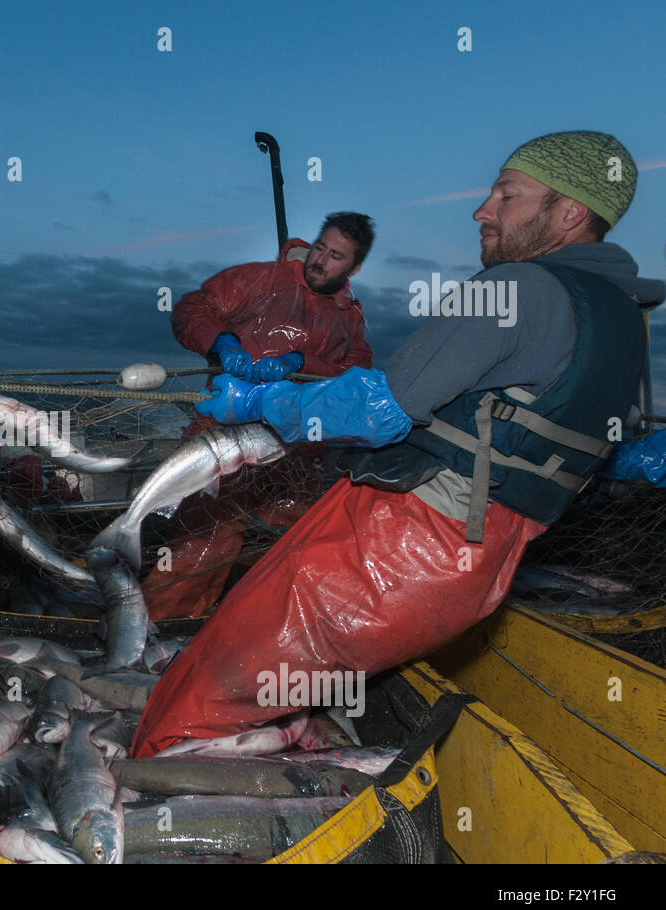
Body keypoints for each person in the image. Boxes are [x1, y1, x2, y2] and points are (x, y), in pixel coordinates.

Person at [134, 130, 664, 757]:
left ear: (570, 211)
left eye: (507, 194)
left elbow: (379, 409)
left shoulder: (518, 290)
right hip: (478, 565)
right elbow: (575, 432)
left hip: (397, 543)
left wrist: (257, 403)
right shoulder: (627, 318)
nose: (481, 210)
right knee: (255, 666)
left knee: (196, 705)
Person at [143, 214, 375, 619]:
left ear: (354, 268)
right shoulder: (262, 279)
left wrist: (304, 362)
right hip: (224, 434)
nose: (320, 260)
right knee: (203, 538)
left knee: (312, 540)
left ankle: (274, 630)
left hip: (298, 451)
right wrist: (221, 341)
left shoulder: (349, 316)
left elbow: (357, 375)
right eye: (320, 247)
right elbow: (193, 308)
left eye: (336, 256)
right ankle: (158, 630)